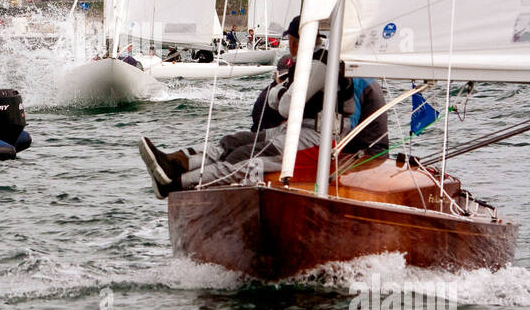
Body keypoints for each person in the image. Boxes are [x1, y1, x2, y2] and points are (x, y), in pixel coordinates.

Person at [139, 15, 389, 198]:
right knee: (234, 141)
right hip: (298, 130)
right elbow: (281, 102)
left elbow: (286, 106)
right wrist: (281, 94)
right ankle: (173, 163)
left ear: (294, 41)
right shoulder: (307, 62)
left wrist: (280, 93)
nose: (289, 46)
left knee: (242, 158)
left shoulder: (318, 64)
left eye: (290, 41)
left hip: (318, 138)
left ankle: (176, 184)